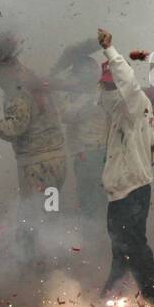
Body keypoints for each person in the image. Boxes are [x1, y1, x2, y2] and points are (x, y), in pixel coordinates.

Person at [0, 37, 67, 269]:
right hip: (57, 161)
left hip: (36, 166)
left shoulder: (17, 93)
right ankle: (54, 259)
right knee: (51, 209)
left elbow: (13, 129)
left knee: (32, 215)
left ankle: (33, 265)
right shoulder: (34, 82)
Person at [96, 28, 154, 307]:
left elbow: (129, 83)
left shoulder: (134, 103)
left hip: (132, 190)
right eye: (106, 87)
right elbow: (149, 139)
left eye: (111, 87)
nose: (107, 92)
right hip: (120, 191)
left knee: (135, 247)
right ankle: (112, 295)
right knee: (120, 246)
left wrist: (111, 51)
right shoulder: (121, 114)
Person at [49, 40, 109, 221]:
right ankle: (93, 234)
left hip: (97, 152)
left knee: (97, 199)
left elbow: (69, 115)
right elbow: (68, 114)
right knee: (90, 199)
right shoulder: (80, 94)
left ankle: (97, 235)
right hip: (88, 152)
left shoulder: (98, 94)